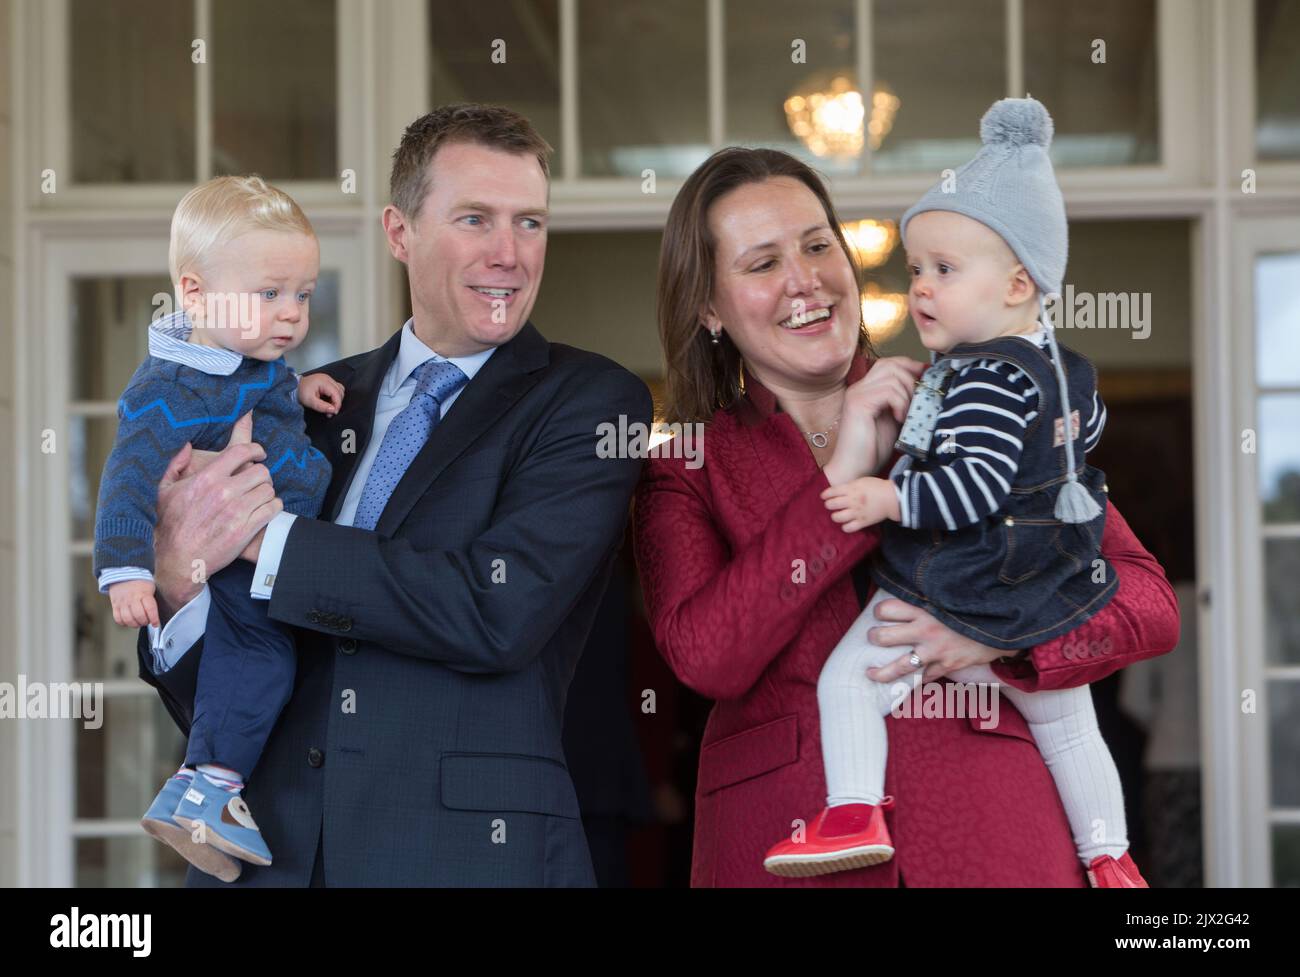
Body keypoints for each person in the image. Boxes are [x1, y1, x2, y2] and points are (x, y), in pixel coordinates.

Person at [632, 144, 1181, 887]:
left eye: (818, 244)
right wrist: (843, 476)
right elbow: (707, 656)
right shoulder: (687, 463)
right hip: (783, 841)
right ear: (709, 307)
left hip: (994, 830)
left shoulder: (981, 396)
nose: (805, 280)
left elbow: (1147, 603)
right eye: (761, 264)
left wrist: (995, 635)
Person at [135, 103, 652, 886]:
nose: (509, 253)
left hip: (470, 861)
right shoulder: (302, 402)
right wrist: (181, 585)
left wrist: (263, 542)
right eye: (475, 219)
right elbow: (226, 679)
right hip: (264, 856)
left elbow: (496, 610)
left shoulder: (591, 403)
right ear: (399, 232)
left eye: (531, 223)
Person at [761, 98, 1146, 887]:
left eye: (944, 269)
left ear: (1016, 283)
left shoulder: (979, 379)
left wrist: (886, 498)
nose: (922, 289)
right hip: (1043, 594)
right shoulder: (1063, 367)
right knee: (1071, 730)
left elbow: (971, 486)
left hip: (953, 585)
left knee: (848, 683)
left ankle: (851, 809)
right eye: (916, 270)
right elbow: (1086, 429)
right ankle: (1109, 854)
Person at [95, 175, 343, 881]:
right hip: (233, 569)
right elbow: (127, 483)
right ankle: (209, 786)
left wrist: (296, 390)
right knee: (262, 664)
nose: (292, 313)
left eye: (304, 293)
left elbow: (254, 396)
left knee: (258, 666)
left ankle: (203, 792)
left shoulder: (252, 364)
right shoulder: (164, 392)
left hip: (268, 557)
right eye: (270, 294)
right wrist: (126, 570)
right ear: (196, 293)